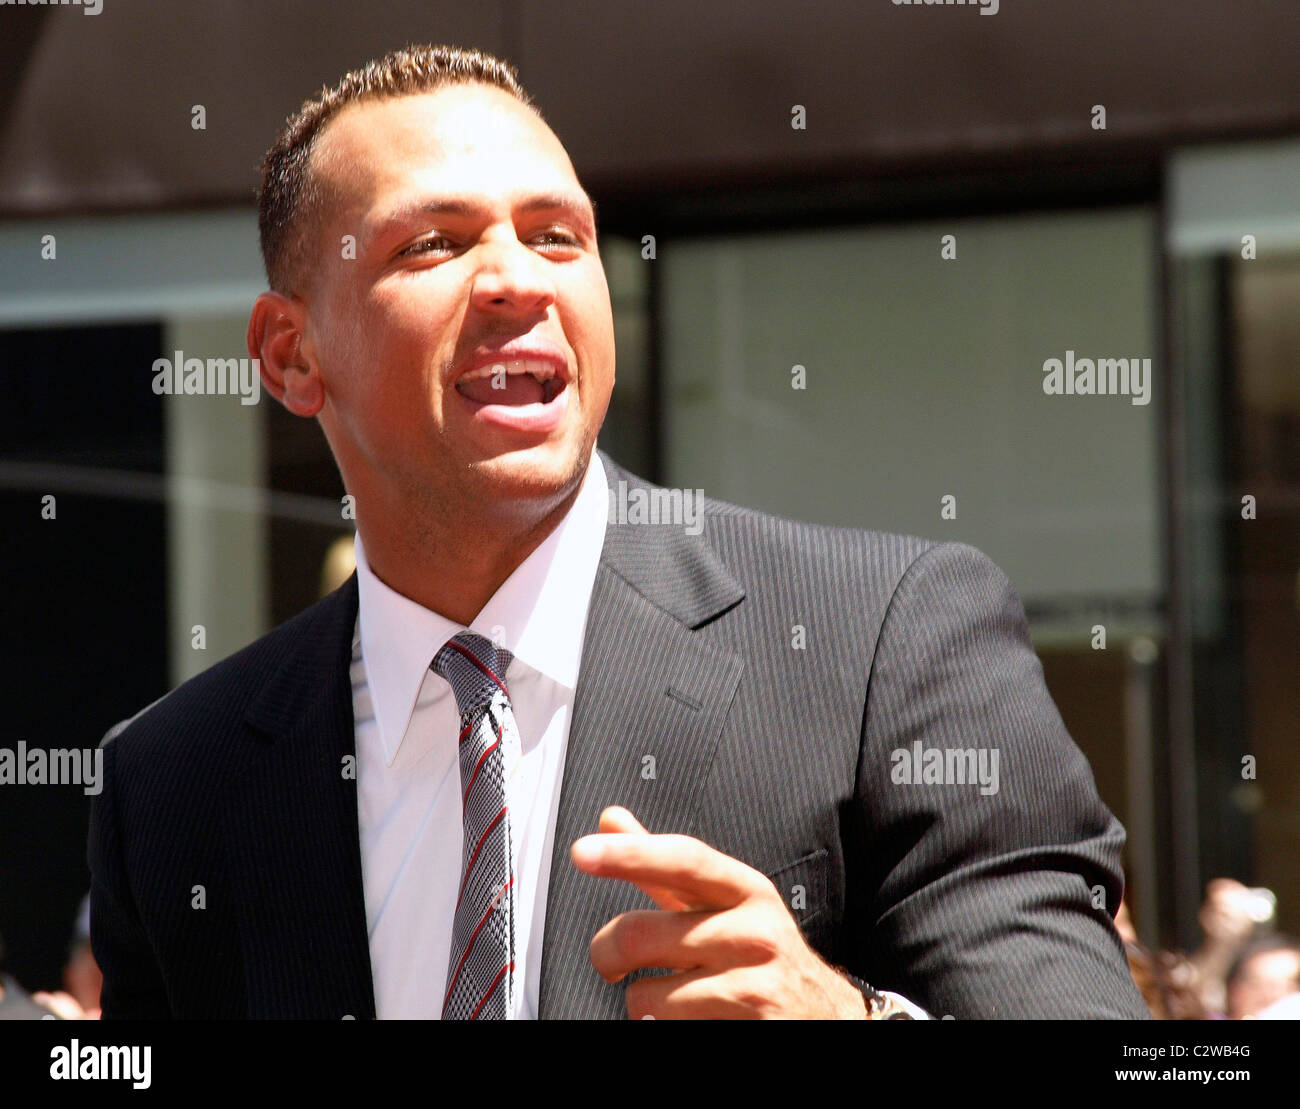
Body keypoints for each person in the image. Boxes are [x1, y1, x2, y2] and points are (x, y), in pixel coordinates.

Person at [89, 44, 1149, 1020]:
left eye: (558, 234)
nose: (516, 277)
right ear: (288, 354)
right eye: (434, 243)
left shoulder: (887, 641)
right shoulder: (173, 781)